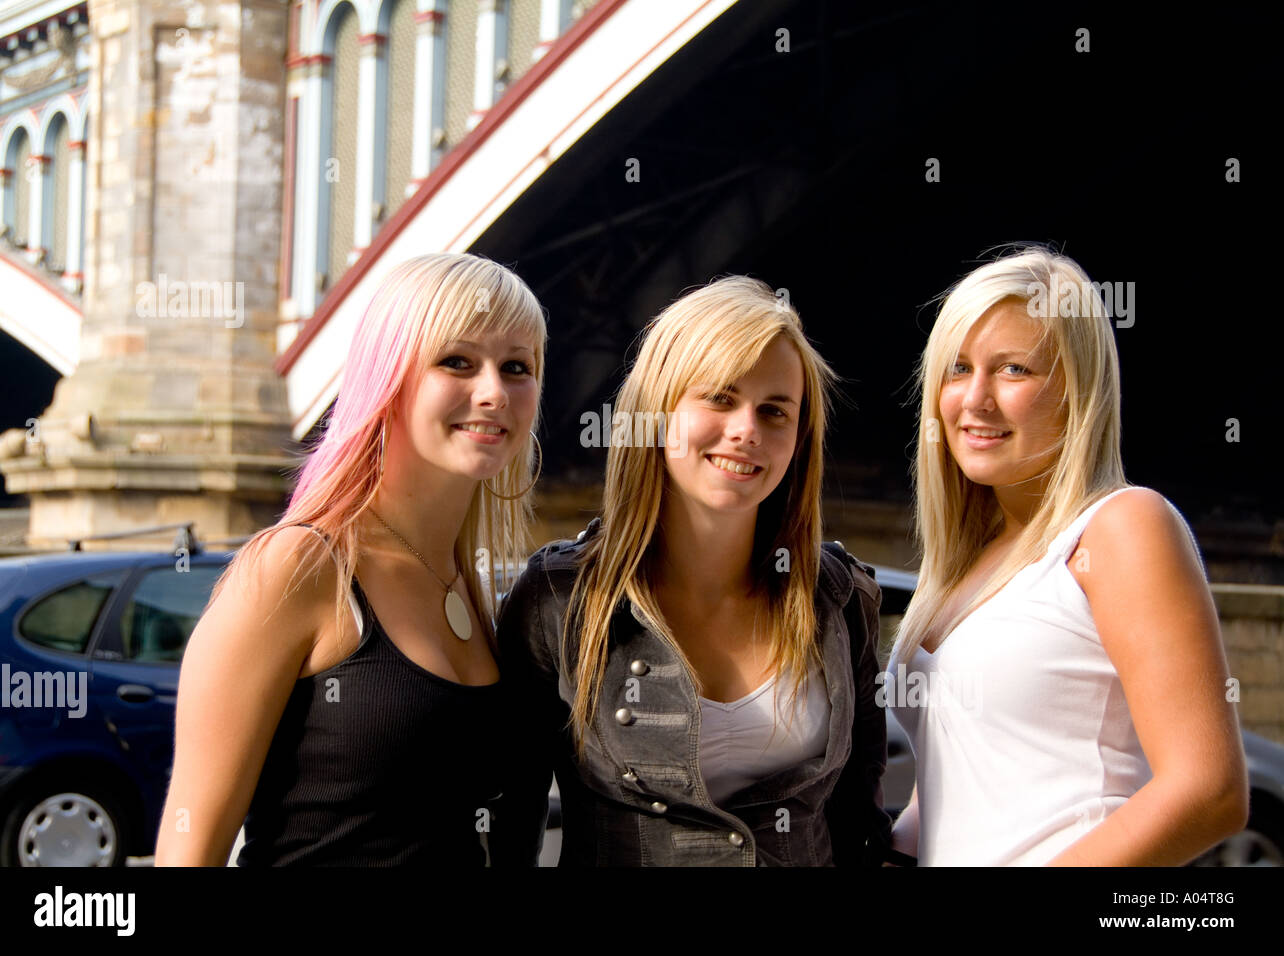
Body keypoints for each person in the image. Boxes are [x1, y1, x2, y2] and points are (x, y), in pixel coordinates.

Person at [154, 252, 546, 866]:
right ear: (389, 377)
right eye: (457, 362)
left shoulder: (473, 584)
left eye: (517, 367)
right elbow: (190, 849)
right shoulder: (300, 567)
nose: (493, 391)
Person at [491, 276, 892, 866]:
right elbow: (510, 827)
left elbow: (861, 824)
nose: (746, 430)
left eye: (774, 410)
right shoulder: (560, 601)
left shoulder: (839, 597)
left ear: (800, 438)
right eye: (720, 398)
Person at [886, 246, 1248, 866]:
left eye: (1013, 370)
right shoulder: (966, 564)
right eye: (957, 368)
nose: (975, 399)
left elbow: (1208, 789)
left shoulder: (1124, 527)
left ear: (1077, 390)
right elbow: (965, 783)